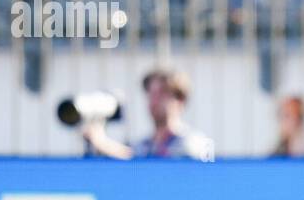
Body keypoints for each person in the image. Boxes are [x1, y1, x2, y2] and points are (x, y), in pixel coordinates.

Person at [82, 67, 213, 158]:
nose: (154, 100)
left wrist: (104, 144)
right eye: (151, 94)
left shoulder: (192, 143)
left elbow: (147, 167)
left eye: (162, 93)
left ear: (180, 100)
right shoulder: (143, 145)